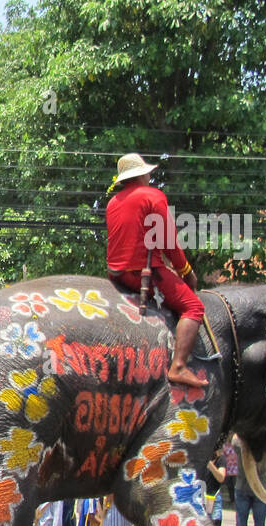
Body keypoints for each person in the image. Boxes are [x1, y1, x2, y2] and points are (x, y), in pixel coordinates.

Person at [105, 152, 207, 389]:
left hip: (116, 273)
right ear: (141, 175)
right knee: (194, 307)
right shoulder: (153, 196)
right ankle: (179, 366)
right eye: (148, 173)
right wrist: (186, 271)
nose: (150, 176)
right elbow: (167, 241)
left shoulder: (113, 203)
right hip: (143, 273)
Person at [232, 436, 266, 526]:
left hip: (244, 485)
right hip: (259, 486)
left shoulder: (241, 442)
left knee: (242, 519)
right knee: (259, 519)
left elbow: (234, 440)